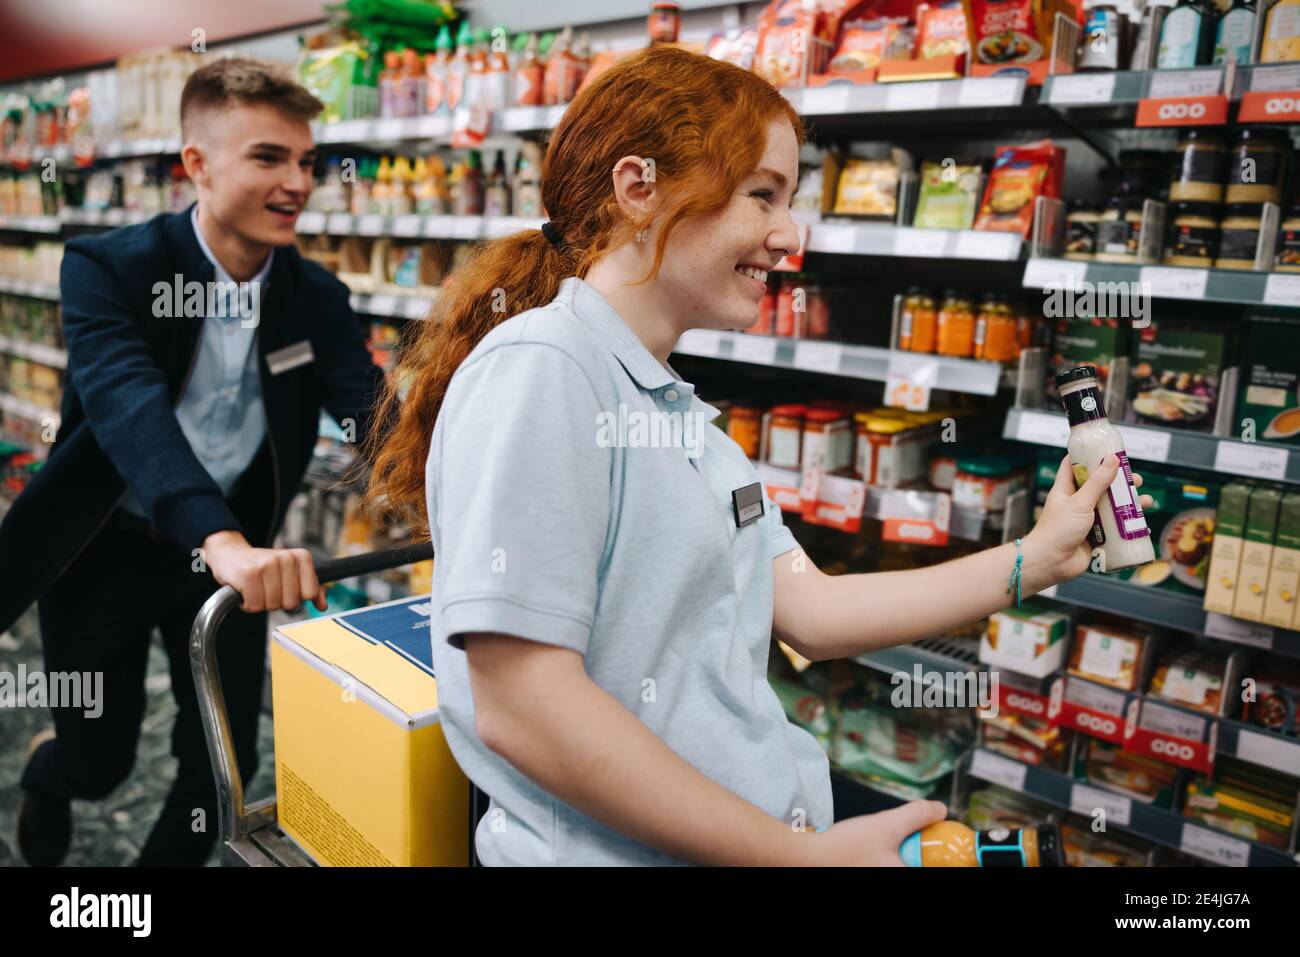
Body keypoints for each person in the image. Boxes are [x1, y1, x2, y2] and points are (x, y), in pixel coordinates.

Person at [364, 44, 1151, 866]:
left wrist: (1037, 558)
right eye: (762, 195)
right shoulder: (546, 366)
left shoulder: (677, 411)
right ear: (641, 190)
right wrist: (801, 857)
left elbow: (815, 612)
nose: (789, 233)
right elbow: (524, 705)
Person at [0, 56, 386, 866]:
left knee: (223, 773)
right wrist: (219, 537)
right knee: (100, 761)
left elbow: (372, 416)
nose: (298, 183)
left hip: (228, 563)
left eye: (307, 162)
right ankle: (49, 769)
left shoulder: (315, 297)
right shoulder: (111, 268)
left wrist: (455, 475)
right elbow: (129, 408)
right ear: (197, 165)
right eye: (269, 158)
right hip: (106, 548)